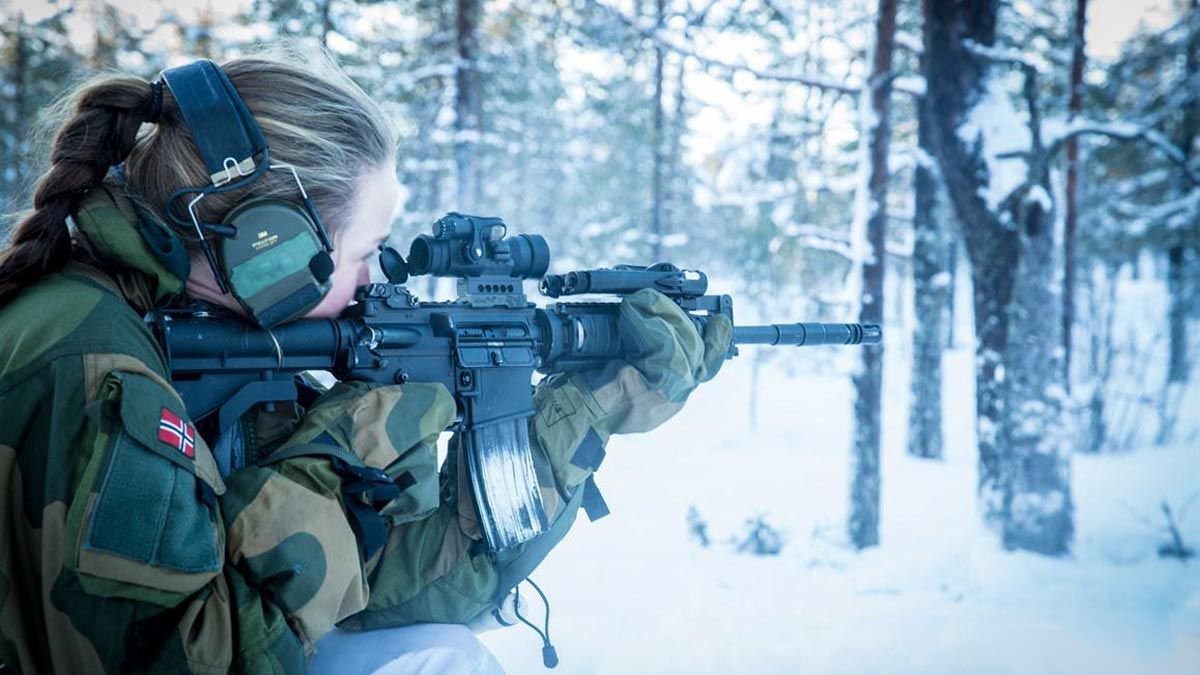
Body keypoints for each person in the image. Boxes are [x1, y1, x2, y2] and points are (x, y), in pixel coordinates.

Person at [0, 48, 732, 675]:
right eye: (362, 253)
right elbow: (183, 657)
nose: (373, 283)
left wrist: (589, 409)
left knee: (443, 648)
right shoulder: (92, 365)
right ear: (267, 244)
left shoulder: (205, 332)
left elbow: (391, 596)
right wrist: (343, 450)